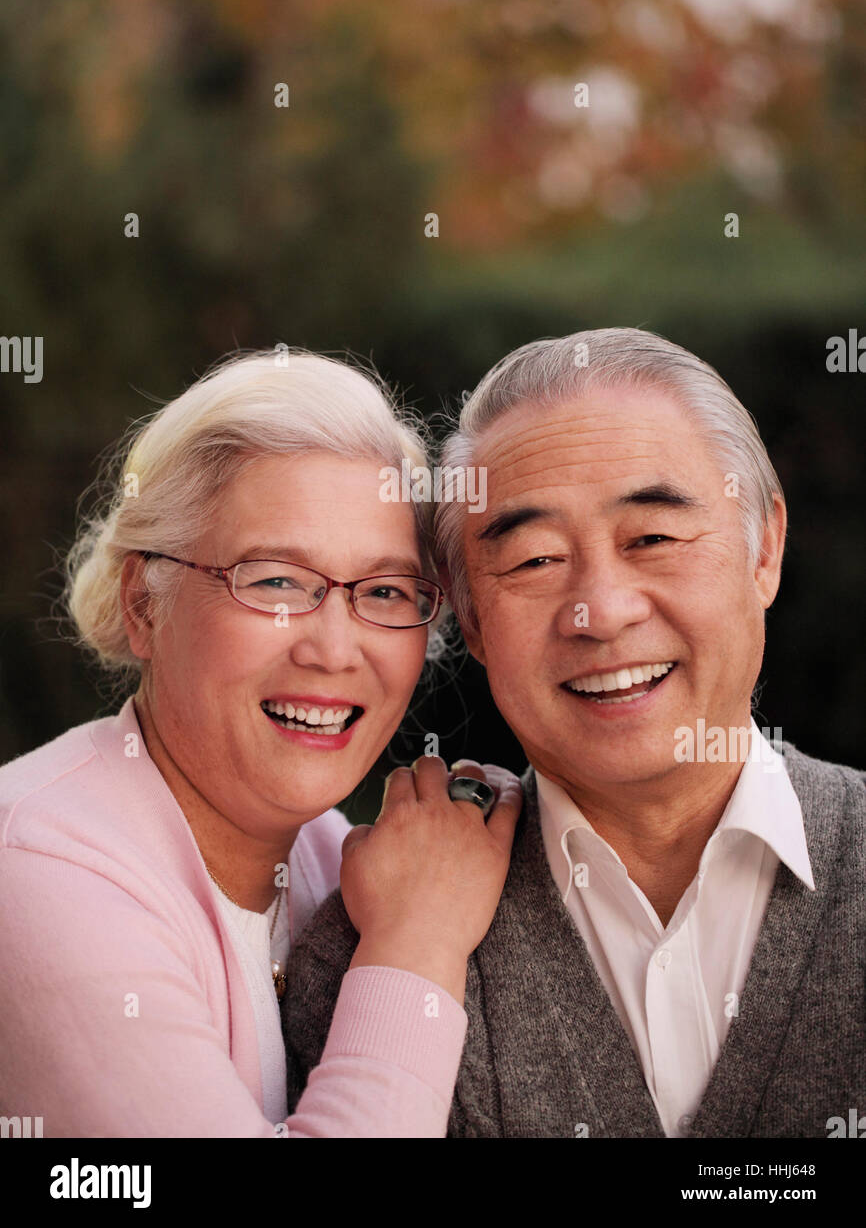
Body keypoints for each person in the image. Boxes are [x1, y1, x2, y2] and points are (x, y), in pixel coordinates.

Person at [283, 327, 866, 1138]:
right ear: (474, 619)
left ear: (763, 548)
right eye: (533, 561)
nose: (600, 610)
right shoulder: (368, 958)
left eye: (653, 539)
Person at [0, 348, 521, 1137]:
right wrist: (420, 939)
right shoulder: (36, 869)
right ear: (145, 604)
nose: (335, 650)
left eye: (384, 591)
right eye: (276, 579)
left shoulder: (329, 855)